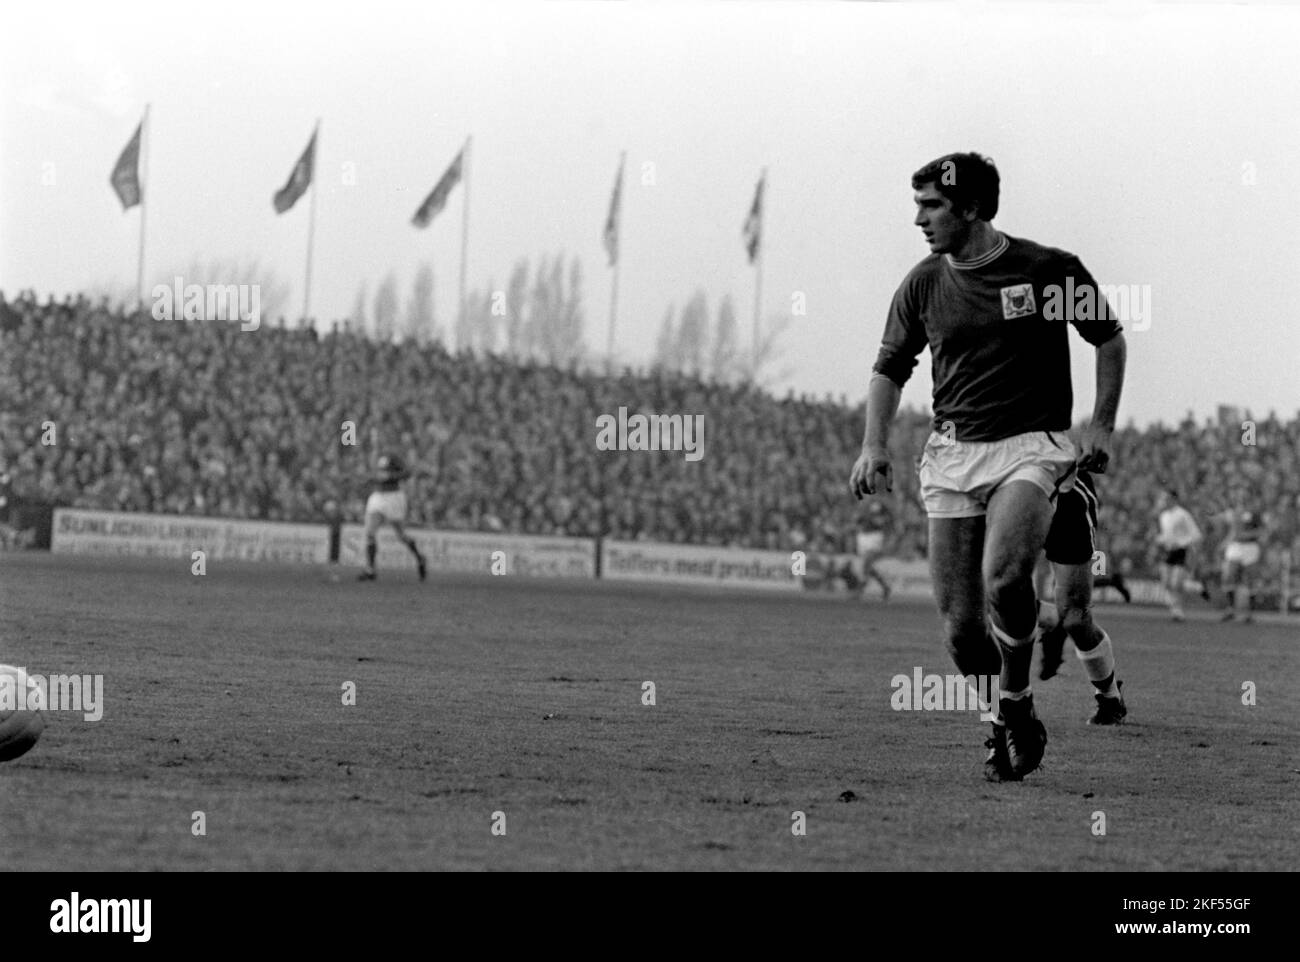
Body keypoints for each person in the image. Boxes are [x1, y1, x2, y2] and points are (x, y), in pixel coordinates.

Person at [850, 152, 1127, 782]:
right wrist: (874, 445)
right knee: (960, 631)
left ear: (971, 208)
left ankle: (1014, 704)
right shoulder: (922, 283)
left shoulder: (1047, 269)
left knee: (1005, 579)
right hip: (952, 457)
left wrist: (1101, 424)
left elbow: (1108, 338)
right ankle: (1009, 715)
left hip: (1031, 446)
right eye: (917, 204)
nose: (919, 218)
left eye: (932, 206)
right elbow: (890, 368)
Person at [1034, 469, 1128, 724]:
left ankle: (1109, 697)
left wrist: (1102, 426)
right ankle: (1012, 719)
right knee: (994, 596)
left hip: (1061, 485)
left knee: (1076, 618)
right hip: (998, 478)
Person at [358, 454, 427, 582]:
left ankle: (420, 558)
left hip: (393, 497)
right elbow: (373, 476)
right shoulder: (371, 454)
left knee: (401, 535)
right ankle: (370, 570)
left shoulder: (392, 457)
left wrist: (391, 477)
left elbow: (407, 473)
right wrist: (367, 480)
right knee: (370, 533)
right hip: (378, 497)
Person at [1155, 488, 1202, 621]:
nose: (1164, 501)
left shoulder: (1183, 514)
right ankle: (1177, 606)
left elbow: (1196, 535)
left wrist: (1183, 543)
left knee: (1175, 583)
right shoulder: (1163, 516)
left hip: (1181, 551)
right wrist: (1160, 539)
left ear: (1174, 499)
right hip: (1167, 551)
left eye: (1167, 498)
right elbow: (1167, 535)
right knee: (1166, 583)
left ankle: (1178, 610)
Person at [1219, 493, 1264, 623]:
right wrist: (1224, 543)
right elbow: (1233, 532)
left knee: (1251, 578)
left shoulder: (1255, 514)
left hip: (1250, 547)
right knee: (1229, 575)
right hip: (1236, 546)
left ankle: (1250, 613)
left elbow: (1261, 530)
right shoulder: (1233, 513)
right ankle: (1231, 609)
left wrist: (1246, 534)